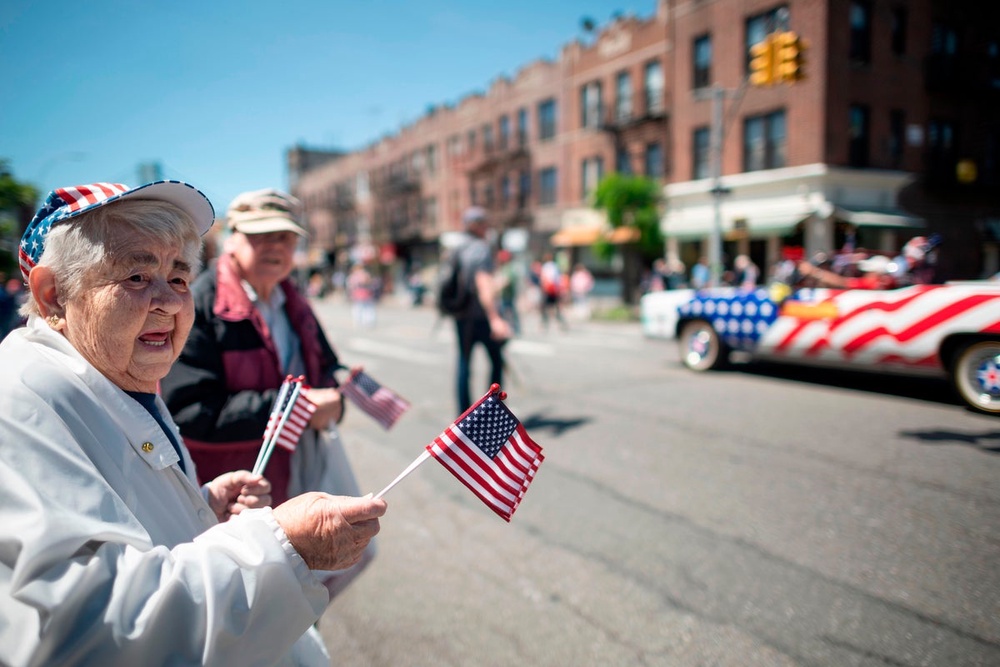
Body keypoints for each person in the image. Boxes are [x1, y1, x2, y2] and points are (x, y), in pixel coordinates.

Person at [0, 181, 386, 666]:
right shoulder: (22, 400)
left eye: (179, 278)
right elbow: (83, 630)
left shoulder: (113, 372)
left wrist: (201, 509)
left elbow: (128, 525)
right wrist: (281, 546)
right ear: (55, 295)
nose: (171, 301)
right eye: (137, 276)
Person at [160, 188, 376, 599]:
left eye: (287, 237)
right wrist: (297, 406)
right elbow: (189, 409)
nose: (276, 246)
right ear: (233, 237)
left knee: (296, 595)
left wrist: (338, 391)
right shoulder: (200, 302)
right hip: (236, 489)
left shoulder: (294, 300)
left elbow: (326, 369)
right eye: (262, 235)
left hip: (298, 471)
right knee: (240, 602)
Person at [449, 207, 511, 413]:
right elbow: (483, 285)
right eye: (484, 223)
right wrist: (495, 318)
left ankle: (463, 415)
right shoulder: (481, 249)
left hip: (460, 315)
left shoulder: (457, 248)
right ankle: (492, 411)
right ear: (475, 226)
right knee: (496, 361)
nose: (487, 227)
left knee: (464, 363)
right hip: (481, 316)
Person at [798, 254, 898, 290]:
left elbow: (844, 282)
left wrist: (813, 271)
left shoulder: (874, 284)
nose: (865, 274)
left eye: (869, 271)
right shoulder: (889, 284)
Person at [494, 249, 521, 334]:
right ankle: (515, 328)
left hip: (507, 294)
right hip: (506, 294)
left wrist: (496, 287)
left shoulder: (508, 268)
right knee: (510, 311)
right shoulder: (506, 267)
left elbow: (506, 280)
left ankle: (512, 328)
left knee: (504, 311)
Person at [539, 252, 567, 330]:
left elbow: (543, 279)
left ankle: (545, 324)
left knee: (545, 308)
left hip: (548, 289)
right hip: (554, 289)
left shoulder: (546, 267)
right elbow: (558, 279)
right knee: (556, 308)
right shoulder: (555, 266)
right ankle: (561, 323)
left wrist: (543, 287)